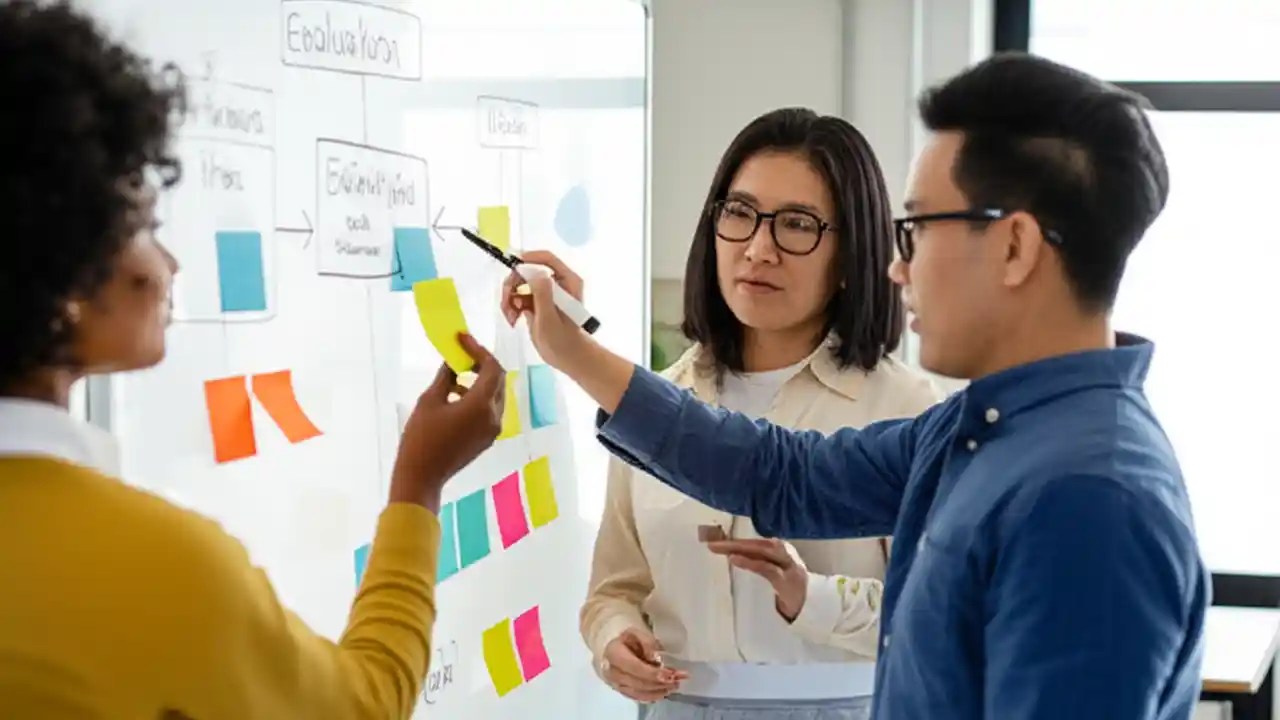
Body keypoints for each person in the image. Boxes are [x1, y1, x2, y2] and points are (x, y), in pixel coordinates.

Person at [505, 53, 1209, 719]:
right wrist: (574, 352)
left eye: (919, 231)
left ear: (1015, 247)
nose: (898, 270)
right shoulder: (979, 428)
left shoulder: (1088, 497)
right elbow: (780, 474)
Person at [0, 3, 506, 718]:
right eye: (142, 223)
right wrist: (418, 487)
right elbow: (365, 703)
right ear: (62, 272)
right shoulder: (159, 570)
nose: (169, 261)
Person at [575, 109, 940, 719]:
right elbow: (615, 586)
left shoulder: (901, 408)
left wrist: (810, 596)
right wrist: (613, 640)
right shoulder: (657, 407)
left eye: (797, 225)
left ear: (851, 256)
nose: (759, 248)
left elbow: (933, 612)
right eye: (739, 214)